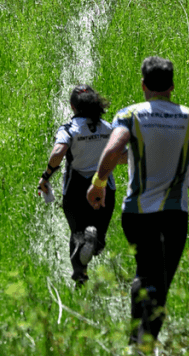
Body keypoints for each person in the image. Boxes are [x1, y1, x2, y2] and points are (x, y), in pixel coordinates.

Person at [86, 56, 189, 346]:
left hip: (137, 214)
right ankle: (145, 346)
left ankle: (136, 341)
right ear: (172, 86)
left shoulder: (130, 115)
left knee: (145, 271)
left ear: (143, 85)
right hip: (175, 214)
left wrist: (98, 183)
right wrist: (188, 181)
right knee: (160, 285)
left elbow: (113, 152)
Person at [38, 85, 125, 285]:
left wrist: (47, 176)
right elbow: (123, 156)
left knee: (77, 234)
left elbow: (57, 153)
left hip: (75, 189)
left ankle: (80, 277)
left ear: (72, 107)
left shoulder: (69, 128)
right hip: (103, 187)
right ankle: (94, 242)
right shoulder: (108, 128)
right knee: (99, 241)